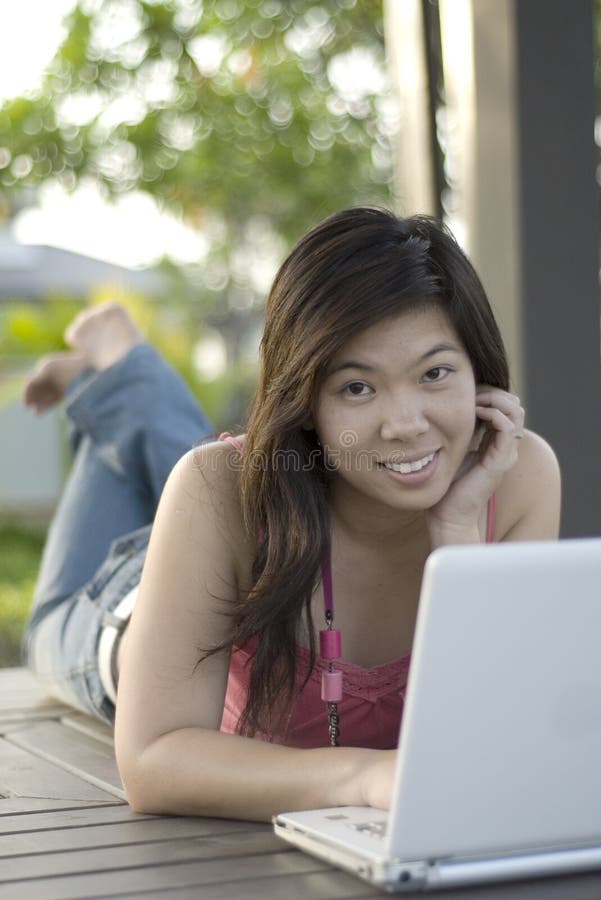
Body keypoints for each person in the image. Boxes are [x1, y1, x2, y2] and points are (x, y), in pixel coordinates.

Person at [22, 207, 561, 823]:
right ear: (305, 401)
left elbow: (498, 737)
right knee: (198, 483)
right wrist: (365, 776)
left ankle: (124, 374)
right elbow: (153, 762)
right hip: (121, 607)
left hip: (274, 493)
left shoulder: (515, 478)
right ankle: (116, 371)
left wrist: (460, 539)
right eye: (357, 387)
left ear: (479, 374)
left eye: (435, 373)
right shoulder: (215, 489)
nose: (407, 424)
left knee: (225, 470)